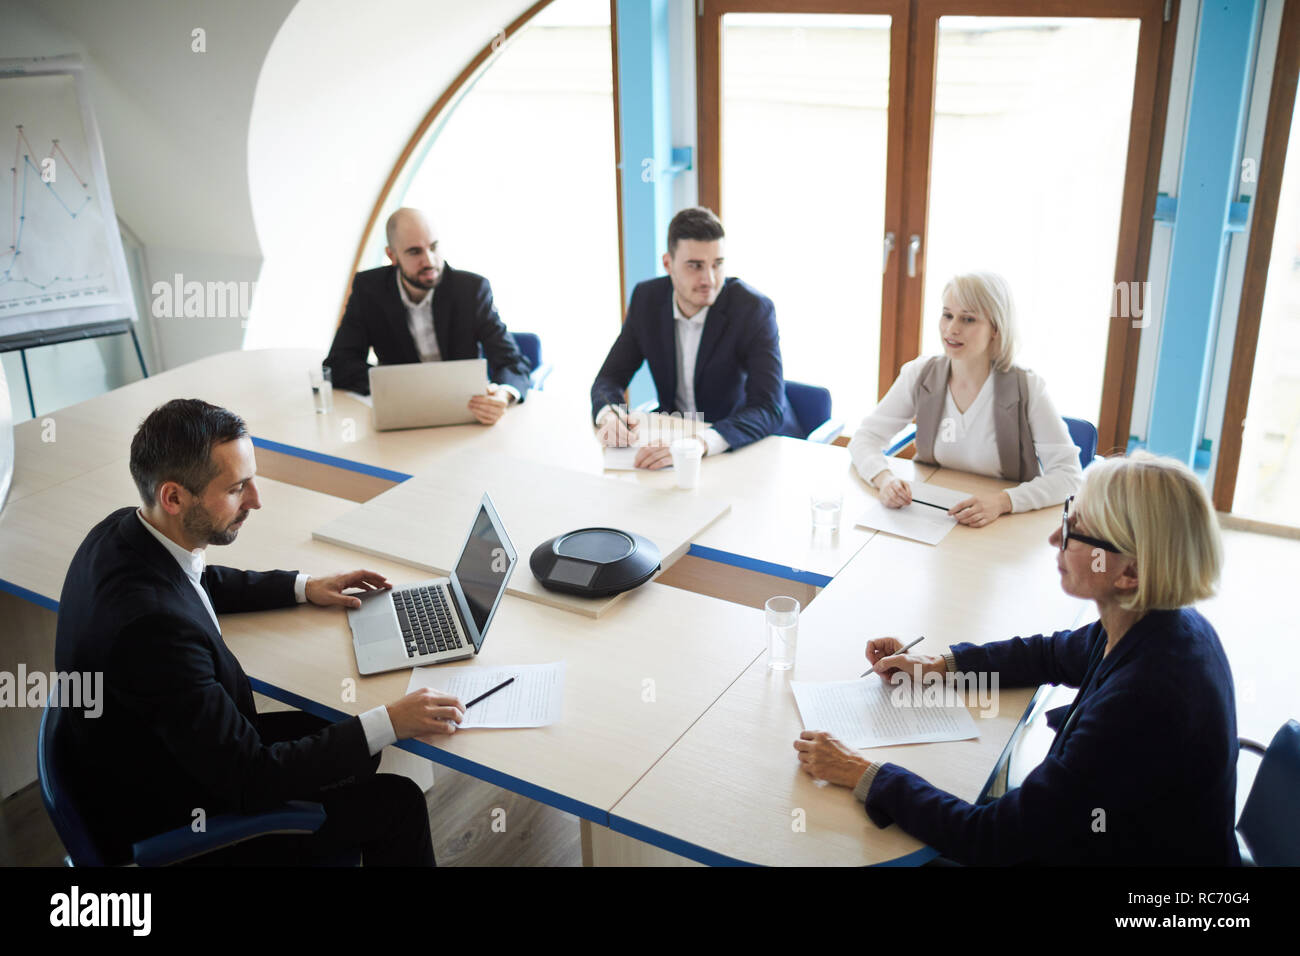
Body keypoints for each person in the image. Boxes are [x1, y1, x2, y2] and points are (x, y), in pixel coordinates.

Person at [54, 398, 467, 865]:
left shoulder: (123, 532)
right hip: (181, 812)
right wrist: (391, 720)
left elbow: (196, 581)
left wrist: (305, 586)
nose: (256, 500)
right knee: (398, 803)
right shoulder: (152, 632)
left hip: (157, 751)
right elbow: (251, 778)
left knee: (352, 742)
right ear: (173, 497)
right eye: (236, 489)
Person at [794, 452, 1240, 865]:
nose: (1053, 537)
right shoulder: (1155, 622)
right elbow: (1048, 654)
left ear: (1130, 571)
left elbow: (992, 839)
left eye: (1073, 530)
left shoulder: (1144, 699)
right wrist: (938, 666)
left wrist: (863, 772)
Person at [848, 271, 1082, 526]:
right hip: (932, 517)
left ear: (995, 328)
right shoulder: (919, 374)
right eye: (947, 315)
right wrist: (885, 480)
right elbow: (865, 438)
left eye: (968, 319)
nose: (952, 329)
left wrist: (1003, 501)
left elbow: (1069, 476)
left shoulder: (1027, 387)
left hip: (1004, 526)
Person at [590, 206, 802, 469]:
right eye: (695, 266)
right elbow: (609, 378)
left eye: (717, 264)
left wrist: (698, 443)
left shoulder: (753, 310)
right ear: (668, 264)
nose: (709, 280)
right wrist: (611, 416)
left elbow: (768, 408)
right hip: (674, 438)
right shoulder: (647, 300)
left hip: (740, 443)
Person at [323, 207, 531, 425]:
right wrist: (391, 384)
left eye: (433, 247)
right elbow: (338, 364)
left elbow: (513, 362)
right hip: (403, 414)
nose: (429, 261)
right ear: (392, 256)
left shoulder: (471, 290)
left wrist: (503, 396)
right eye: (415, 252)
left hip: (466, 414)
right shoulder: (369, 290)